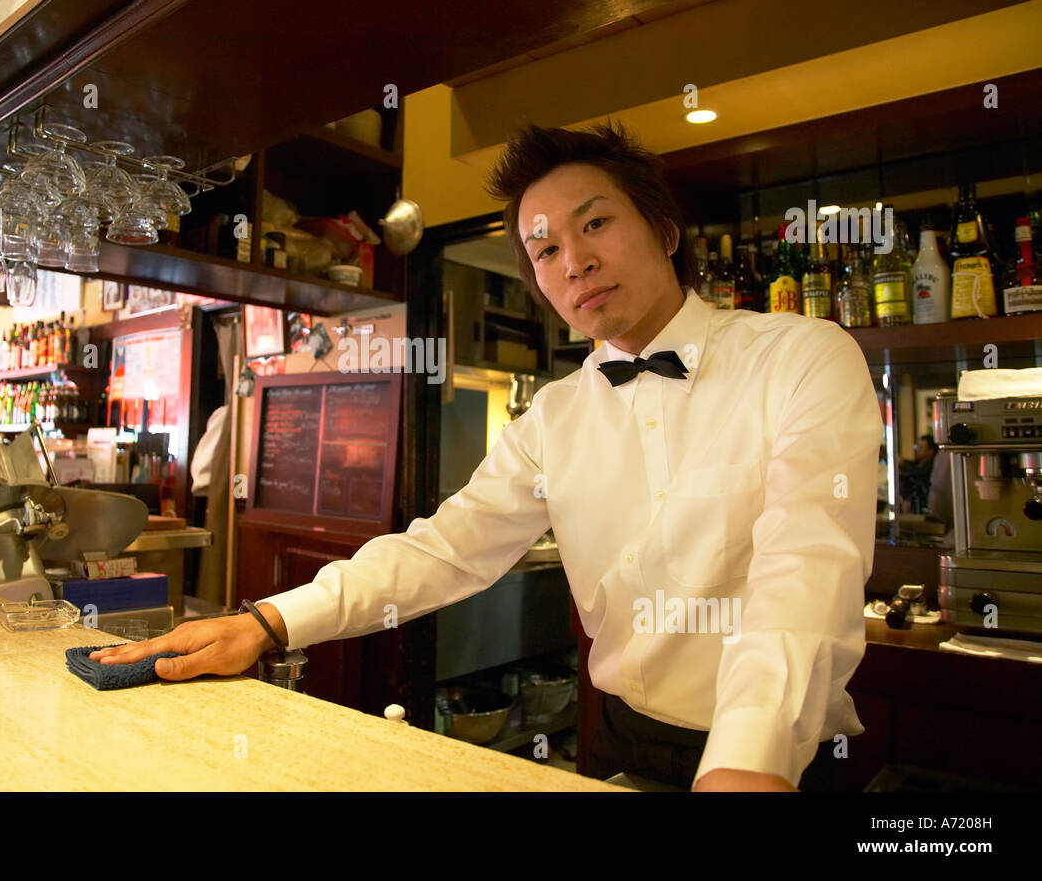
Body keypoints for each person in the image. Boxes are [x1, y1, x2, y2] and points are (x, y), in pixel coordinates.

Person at [92, 121, 881, 792]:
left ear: (665, 231)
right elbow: (444, 549)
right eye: (544, 250)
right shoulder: (557, 413)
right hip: (629, 748)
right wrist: (268, 621)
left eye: (596, 225)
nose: (573, 262)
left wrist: (748, 758)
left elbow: (805, 563)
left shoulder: (801, 355)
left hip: (788, 759)